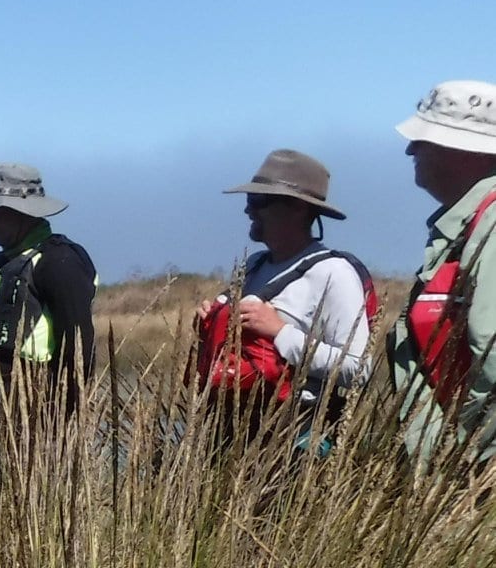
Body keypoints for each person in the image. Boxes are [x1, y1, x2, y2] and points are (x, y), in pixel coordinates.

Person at [193, 150, 375, 443]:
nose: (248, 211)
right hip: (230, 433)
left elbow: (358, 369)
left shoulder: (334, 273)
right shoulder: (253, 265)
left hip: (294, 437)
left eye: (259, 201)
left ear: (298, 209)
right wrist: (209, 321)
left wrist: (279, 332)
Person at [0, 163, 98, 474]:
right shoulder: (1, 263)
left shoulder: (59, 261)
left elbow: (79, 349)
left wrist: (59, 417)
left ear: (20, 212)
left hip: (33, 406)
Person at [387, 79, 496, 468]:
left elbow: (493, 354)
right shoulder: (468, 224)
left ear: (468, 151)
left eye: (424, 141)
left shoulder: (491, 222)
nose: (410, 149)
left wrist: (468, 462)